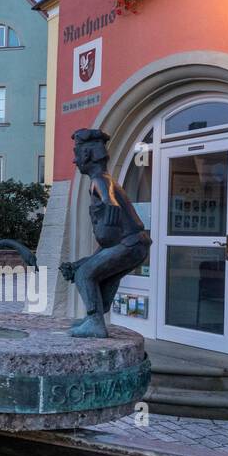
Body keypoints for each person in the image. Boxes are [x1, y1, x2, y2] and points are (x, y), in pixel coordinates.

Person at [60, 129, 152, 338]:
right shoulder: (105, 180)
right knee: (94, 274)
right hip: (134, 245)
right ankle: (95, 318)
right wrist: (79, 263)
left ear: (87, 155)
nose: (74, 161)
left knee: (85, 275)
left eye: (76, 154)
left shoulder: (100, 180)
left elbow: (107, 195)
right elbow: (110, 245)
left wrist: (110, 205)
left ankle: (95, 323)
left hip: (131, 244)